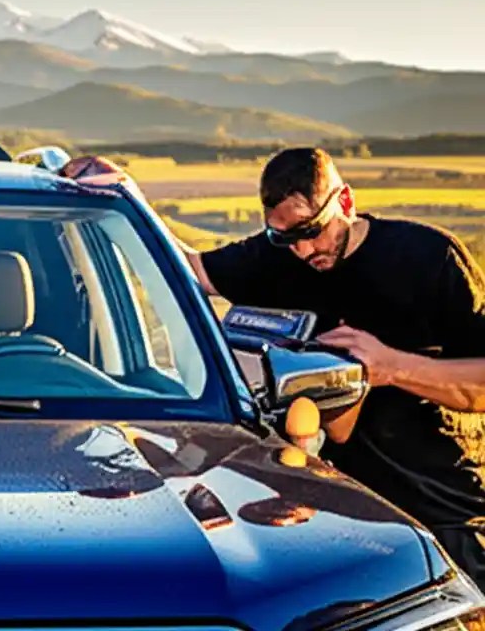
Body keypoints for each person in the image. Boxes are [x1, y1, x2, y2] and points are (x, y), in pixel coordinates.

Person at [60, 147, 485, 581]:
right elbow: (192, 272)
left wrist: (391, 366)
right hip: (341, 512)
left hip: (442, 511)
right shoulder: (278, 256)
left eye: (312, 231)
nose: (302, 250)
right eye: (284, 237)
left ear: (346, 202)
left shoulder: (429, 258)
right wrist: (129, 196)